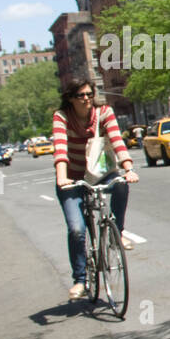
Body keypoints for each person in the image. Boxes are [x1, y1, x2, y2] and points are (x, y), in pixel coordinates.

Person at [52, 76, 139, 301]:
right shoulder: (61, 117)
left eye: (90, 94)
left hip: (99, 173)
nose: (87, 99)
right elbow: (60, 150)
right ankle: (80, 280)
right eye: (81, 95)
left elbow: (117, 141)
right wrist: (62, 178)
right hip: (71, 179)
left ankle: (116, 233)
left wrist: (128, 169)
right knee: (77, 230)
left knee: (120, 185)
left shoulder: (104, 112)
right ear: (70, 98)